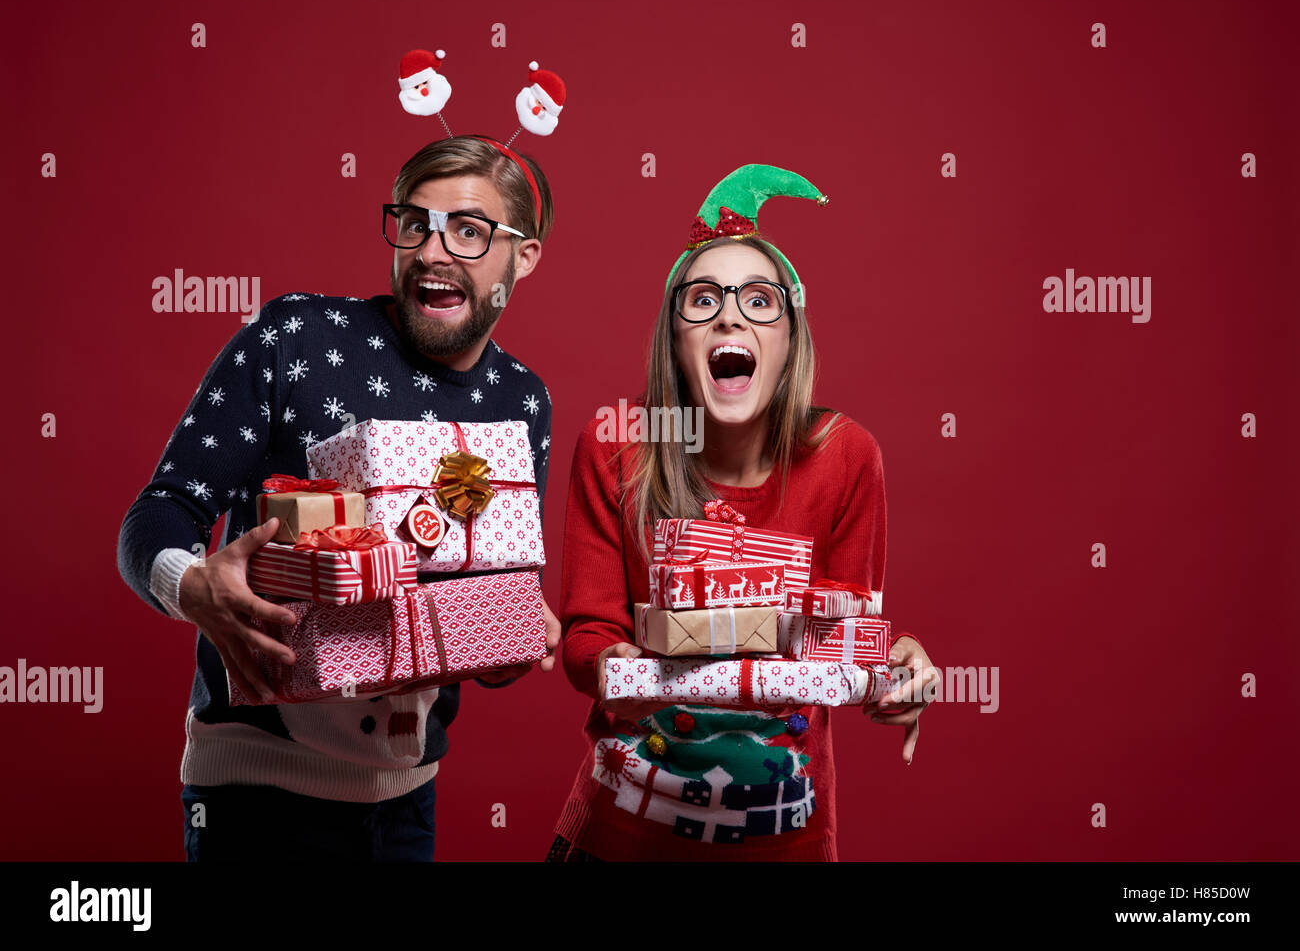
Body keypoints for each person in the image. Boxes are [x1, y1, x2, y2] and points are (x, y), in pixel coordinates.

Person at [116, 135, 561, 862]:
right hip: (254, 796)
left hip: (406, 798)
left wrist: (513, 630)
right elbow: (156, 514)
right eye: (414, 223)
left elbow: (480, 625)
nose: (431, 251)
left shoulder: (524, 403)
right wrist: (191, 584)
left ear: (525, 256)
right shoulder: (296, 337)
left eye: (469, 230)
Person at [549, 165, 939, 861]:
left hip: (784, 837)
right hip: (622, 834)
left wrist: (894, 666)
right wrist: (626, 669)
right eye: (703, 300)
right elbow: (586, 636)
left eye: (759, 301)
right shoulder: (617, 445)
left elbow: (848, 631)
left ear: (791, 339)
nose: (730, 315)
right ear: (674, 338)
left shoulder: (848, 455)